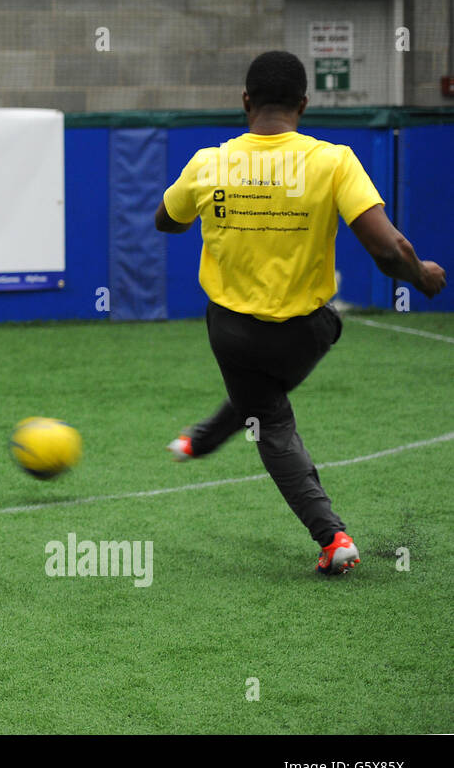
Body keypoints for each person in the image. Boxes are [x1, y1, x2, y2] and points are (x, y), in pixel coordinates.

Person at [155, 50, 446, 575]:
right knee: (263, 396)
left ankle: (333, 538)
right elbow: (387, 251)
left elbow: (165, 221)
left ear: (245, 101)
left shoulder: (207, 162)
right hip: (310, 336)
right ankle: (200, 440)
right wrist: (421, 275)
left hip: (232, 334)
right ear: (304, 104)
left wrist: (205, 209)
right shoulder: (333, 161)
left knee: (268, 420)